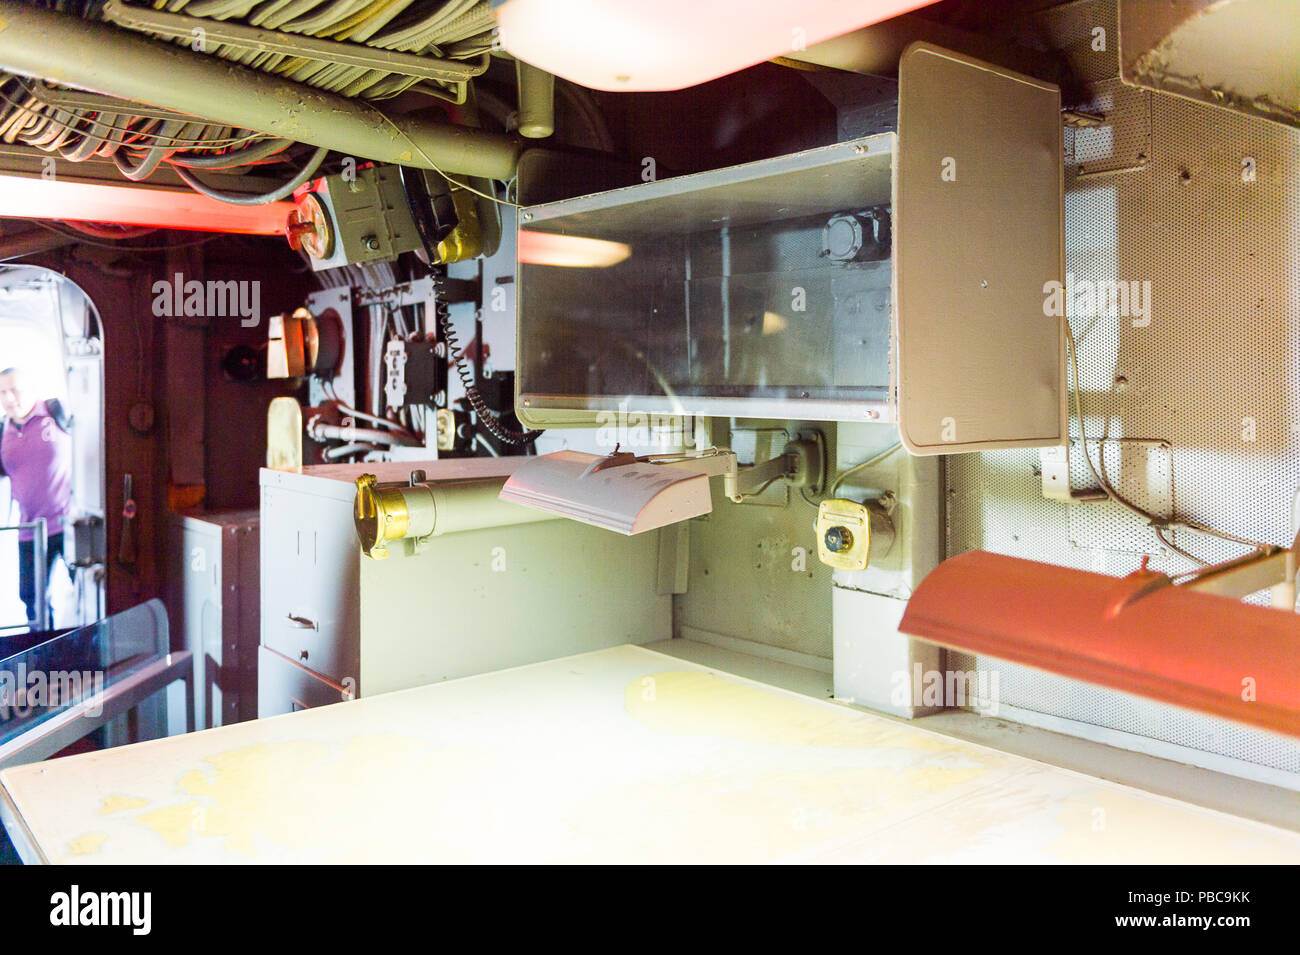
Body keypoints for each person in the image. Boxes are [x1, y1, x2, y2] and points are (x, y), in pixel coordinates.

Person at [0, 366, 72, 630]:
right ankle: (46, 659)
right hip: (29, 530)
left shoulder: (55, 413)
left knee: (88, 588)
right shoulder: (2, 431)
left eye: (15, 390)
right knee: (31, 600)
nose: (9, 398)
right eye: (2, 392)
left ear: (31, 389)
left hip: (67, 525)